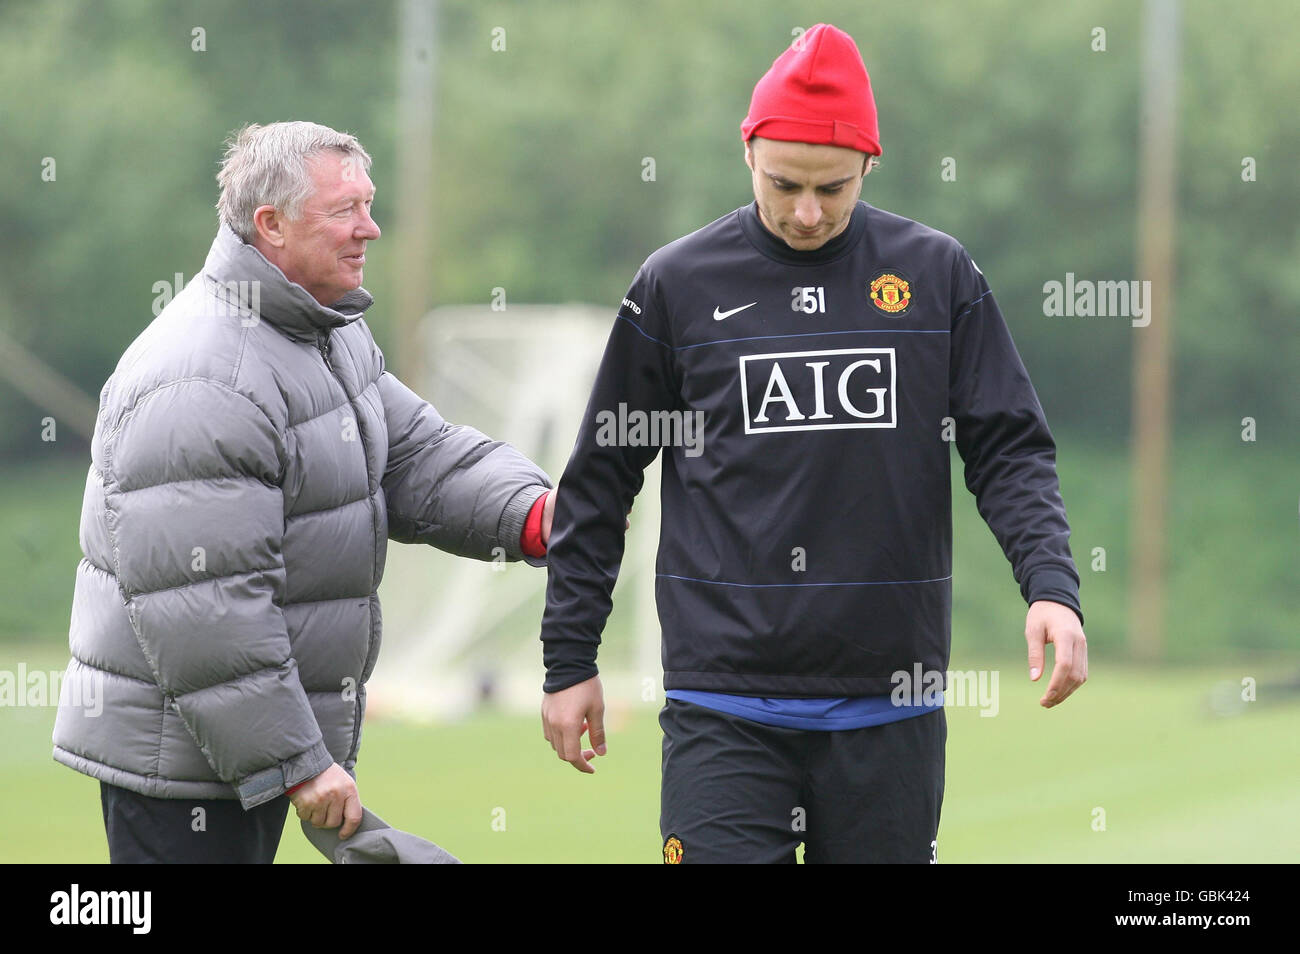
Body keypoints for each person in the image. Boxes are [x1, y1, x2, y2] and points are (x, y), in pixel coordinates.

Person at [538, 24, 1087, 863]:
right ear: (747, 149)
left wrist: (1050, 584)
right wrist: (569, 656)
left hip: (890, 700)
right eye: (784, 183)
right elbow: (602, 476)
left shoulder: (938, 278)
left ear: (871, 162)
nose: (806, 211)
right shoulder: (677, 286)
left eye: (832, 188)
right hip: (723, 702)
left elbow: (1007, 447)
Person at [52, 121, 555, 864]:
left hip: (238, 748)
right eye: (345, 210)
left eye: (369, 204)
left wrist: (539, 517)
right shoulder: (205, 376)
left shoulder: (325, 333)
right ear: (271, 224)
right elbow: (209, 608)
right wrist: (297, 759)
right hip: (180, 768)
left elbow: (417, 457)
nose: (370, 229)